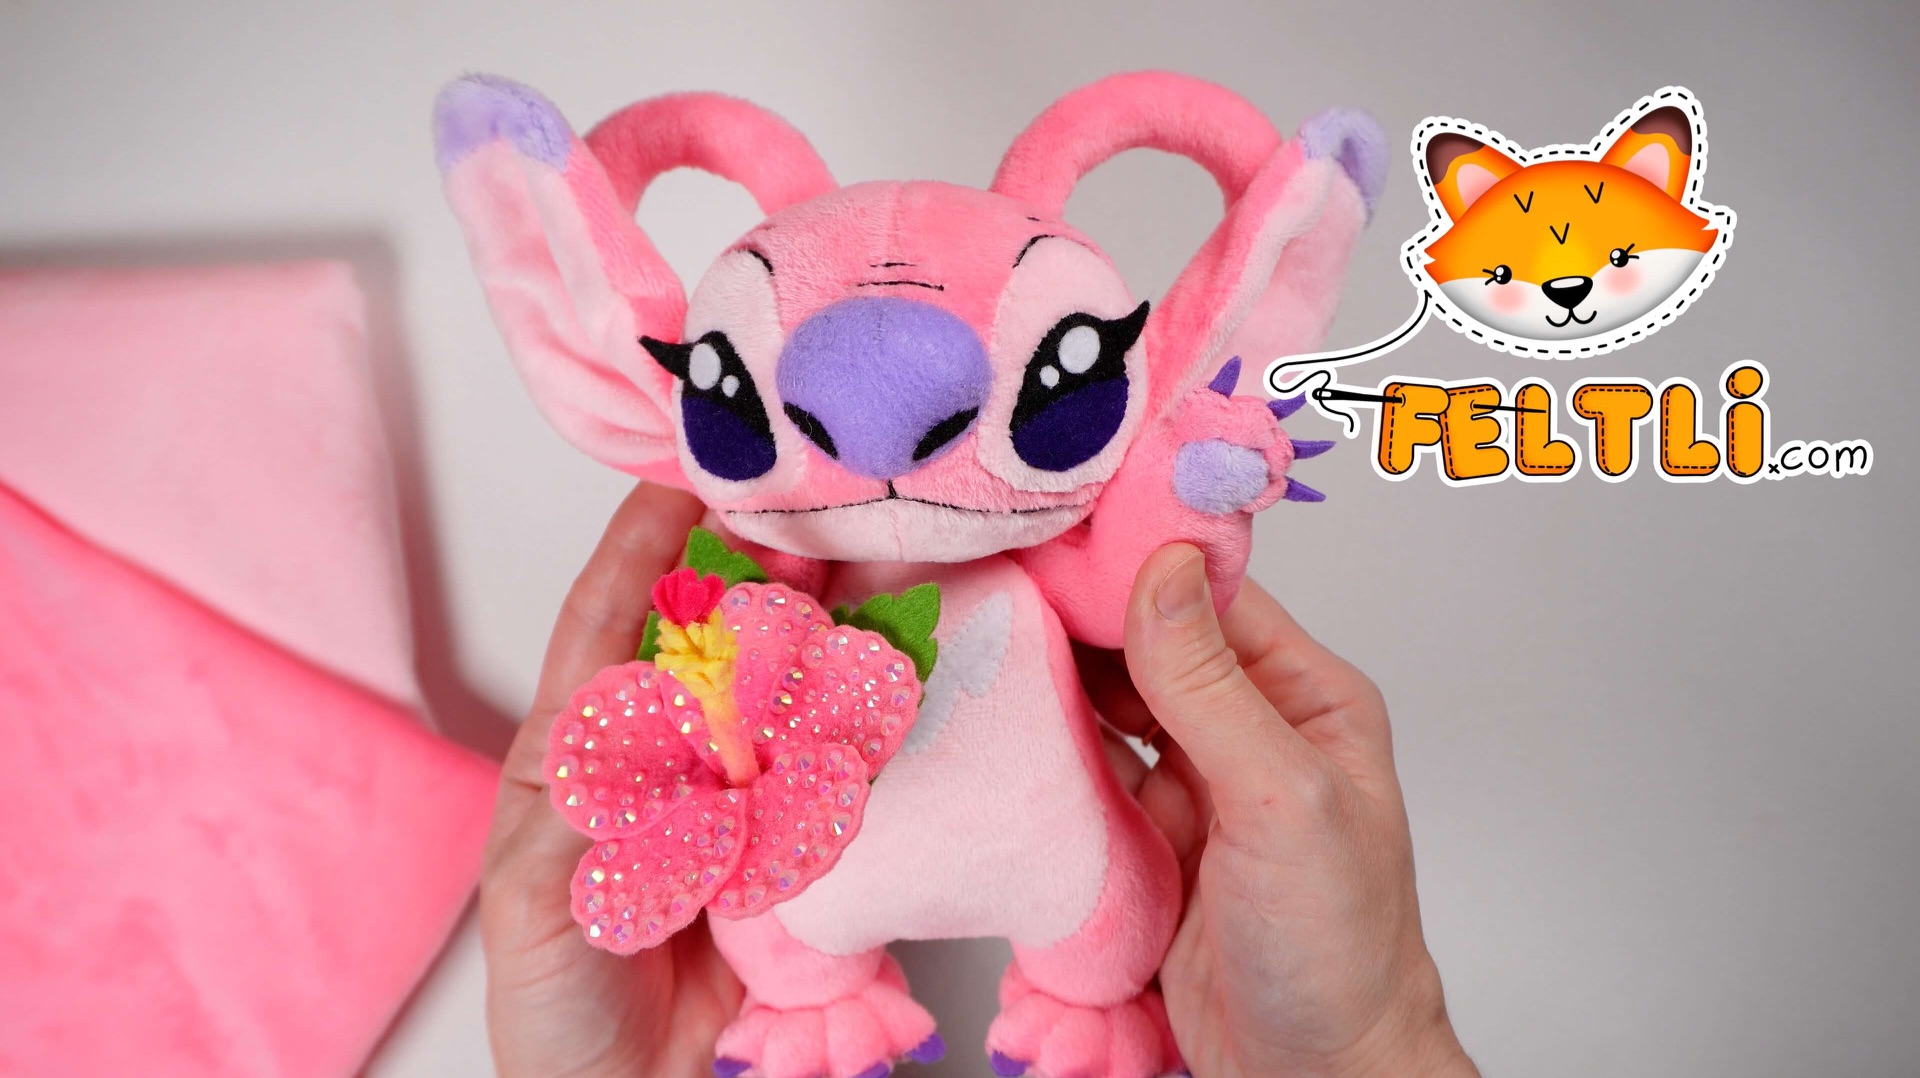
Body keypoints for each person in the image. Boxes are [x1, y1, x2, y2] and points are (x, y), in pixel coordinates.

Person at [480, 484, 1478, 1078]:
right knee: (788, 932)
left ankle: (1088, 1000)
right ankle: (808, 1005)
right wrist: (1374, 1051)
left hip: (1061, 864)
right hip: (813, 870)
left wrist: (1369, 1049)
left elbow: (1119, 575)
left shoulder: (1022, 550)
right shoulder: (775, 588)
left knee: (1101, 922)